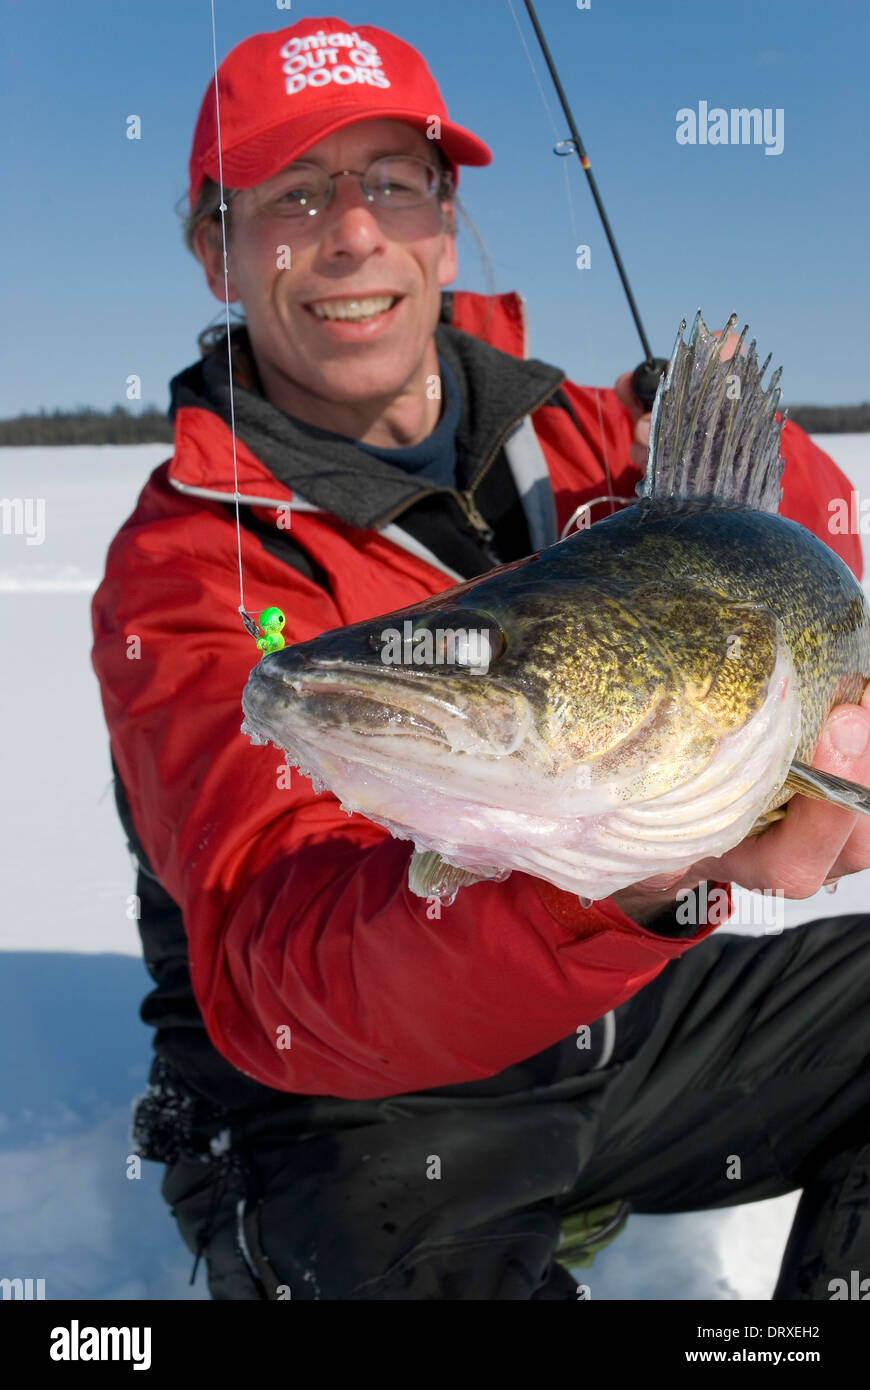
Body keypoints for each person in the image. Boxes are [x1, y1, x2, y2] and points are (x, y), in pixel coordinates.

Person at [91, 17, 870, 1300]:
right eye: (293, 196)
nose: (353, 233)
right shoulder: (179, 569)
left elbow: (807, 562)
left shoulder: (595, 429)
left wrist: (770, 476)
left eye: (393, 183)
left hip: (620, 1030)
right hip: (341, 1095)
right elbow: (284, 957)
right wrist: (617, 893)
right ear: (215, 250)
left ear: (446, 226)